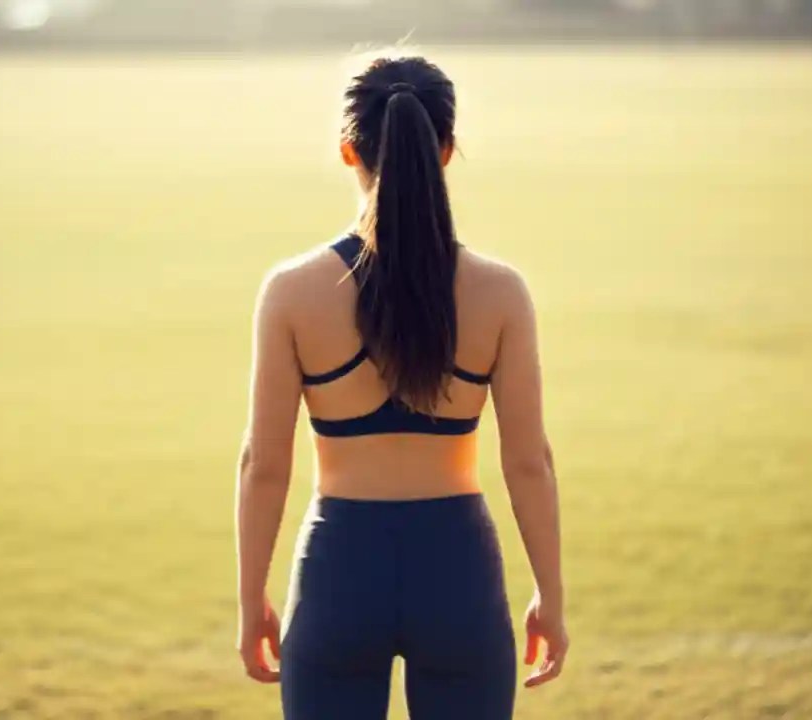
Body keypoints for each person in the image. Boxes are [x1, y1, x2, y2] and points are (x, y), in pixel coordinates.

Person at [234, 51, 569, 720]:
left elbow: (263, 466)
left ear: (346, 152)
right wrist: (550, 598)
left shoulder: (293, 293)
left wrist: (252, 606)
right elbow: (528, 461)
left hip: (339, 571)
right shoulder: (501, 294)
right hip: (458, 571)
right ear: (444, 151)